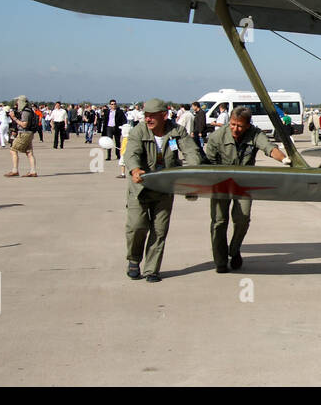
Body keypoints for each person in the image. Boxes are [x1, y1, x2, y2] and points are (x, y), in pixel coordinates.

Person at [124, 98, 203, 282]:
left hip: (165, 189)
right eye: (146, 116)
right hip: (140, 188)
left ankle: (152, 269)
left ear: (164, 115)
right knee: (137, 226)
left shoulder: (177, 131)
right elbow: (132, 153)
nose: (148, 119)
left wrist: (192, 176)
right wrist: (135, 169)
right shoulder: (138, 131)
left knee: (159, 230)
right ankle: (134, 259)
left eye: (152, 116)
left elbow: (191, 152)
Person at [204, 106, 290, 272]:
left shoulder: (255, 134)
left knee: (243, 219)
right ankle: (220, 261)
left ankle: (234, 249)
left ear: (248, 125)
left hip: (244, 184)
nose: (236, 129)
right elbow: (209, 165)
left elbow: (269, 148)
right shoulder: (216, 137)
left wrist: (285, 160)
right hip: (220, 183)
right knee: (219, 222)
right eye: (233, 124)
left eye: (240, 126)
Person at [5, 97, 40, 177]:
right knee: (29, 152)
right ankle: (33, 171)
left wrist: (14, 118)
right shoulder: (30, 110)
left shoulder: (25, 112)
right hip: (29, 133)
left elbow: (24, 124)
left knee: (13, 150)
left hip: (24, 133)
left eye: (18, 101)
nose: (17, 103)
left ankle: (15, 170)